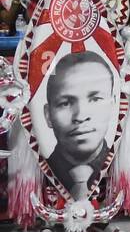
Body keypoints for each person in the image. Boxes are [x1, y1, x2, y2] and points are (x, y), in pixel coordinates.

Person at [44, 51, 116, 200]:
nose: (81, 116)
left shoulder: (123, 174)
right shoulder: (36, 177)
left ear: (114, 106)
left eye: (95, 99)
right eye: (65, 103)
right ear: (48, 115)